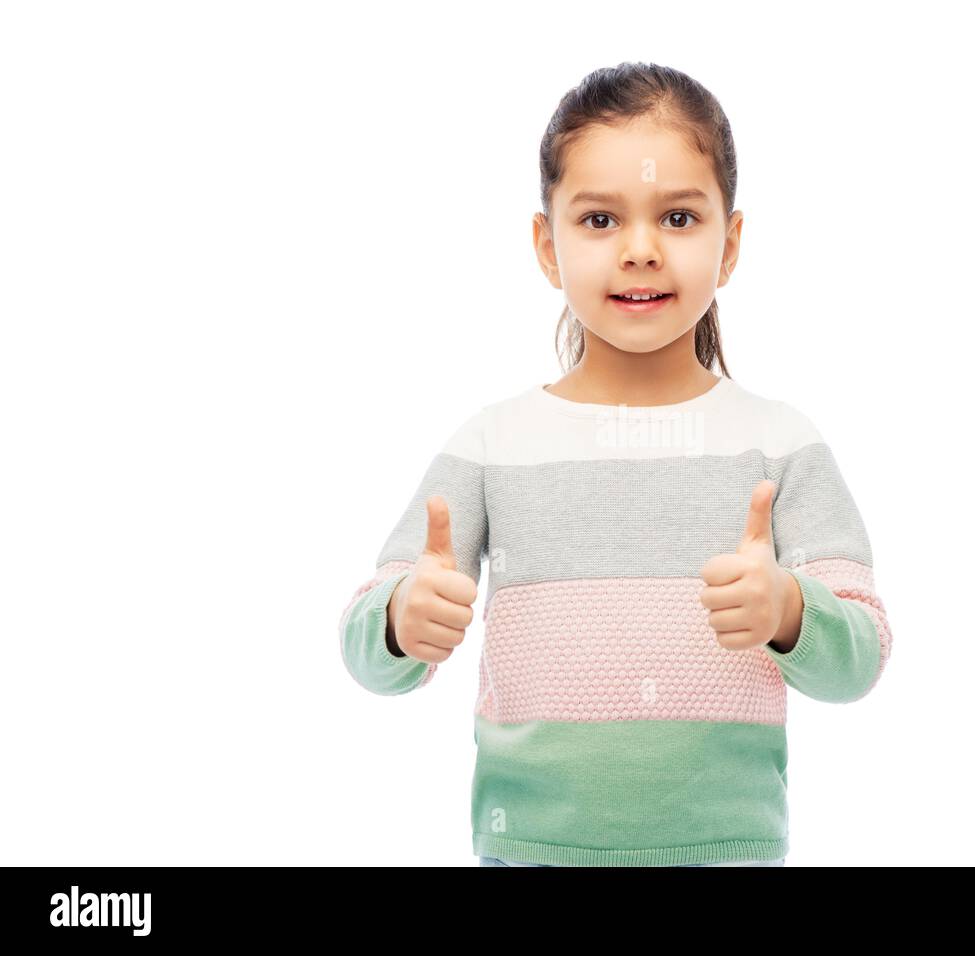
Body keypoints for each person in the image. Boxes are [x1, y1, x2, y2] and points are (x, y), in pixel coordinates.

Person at [338, 61, 894, 867]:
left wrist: (788, 611)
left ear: (731, 244)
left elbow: (862, 657)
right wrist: (399, 621)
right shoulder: (490, 444)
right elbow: (366, 644)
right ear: (547, 246)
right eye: (600, 220)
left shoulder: (781, 444)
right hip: (527, 853)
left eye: (678, 217)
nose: (640, 251)